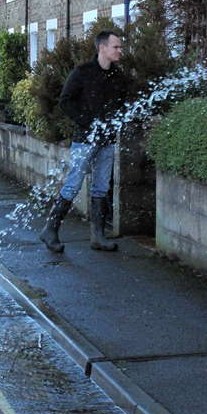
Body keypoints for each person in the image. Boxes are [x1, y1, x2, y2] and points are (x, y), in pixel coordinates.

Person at [39, 30, 128, 253]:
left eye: (119, 47)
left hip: (107, 141)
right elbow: (65, 101)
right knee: (73, 184)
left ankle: (98, 236)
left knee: (101, 186)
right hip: (85, 140)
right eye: (116, 47)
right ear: (102, 48)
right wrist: (87, 122)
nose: (120, 51)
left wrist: (118, 122)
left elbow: (124, 106)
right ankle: (50, 229)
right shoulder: (82, 73)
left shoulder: (119, 77)